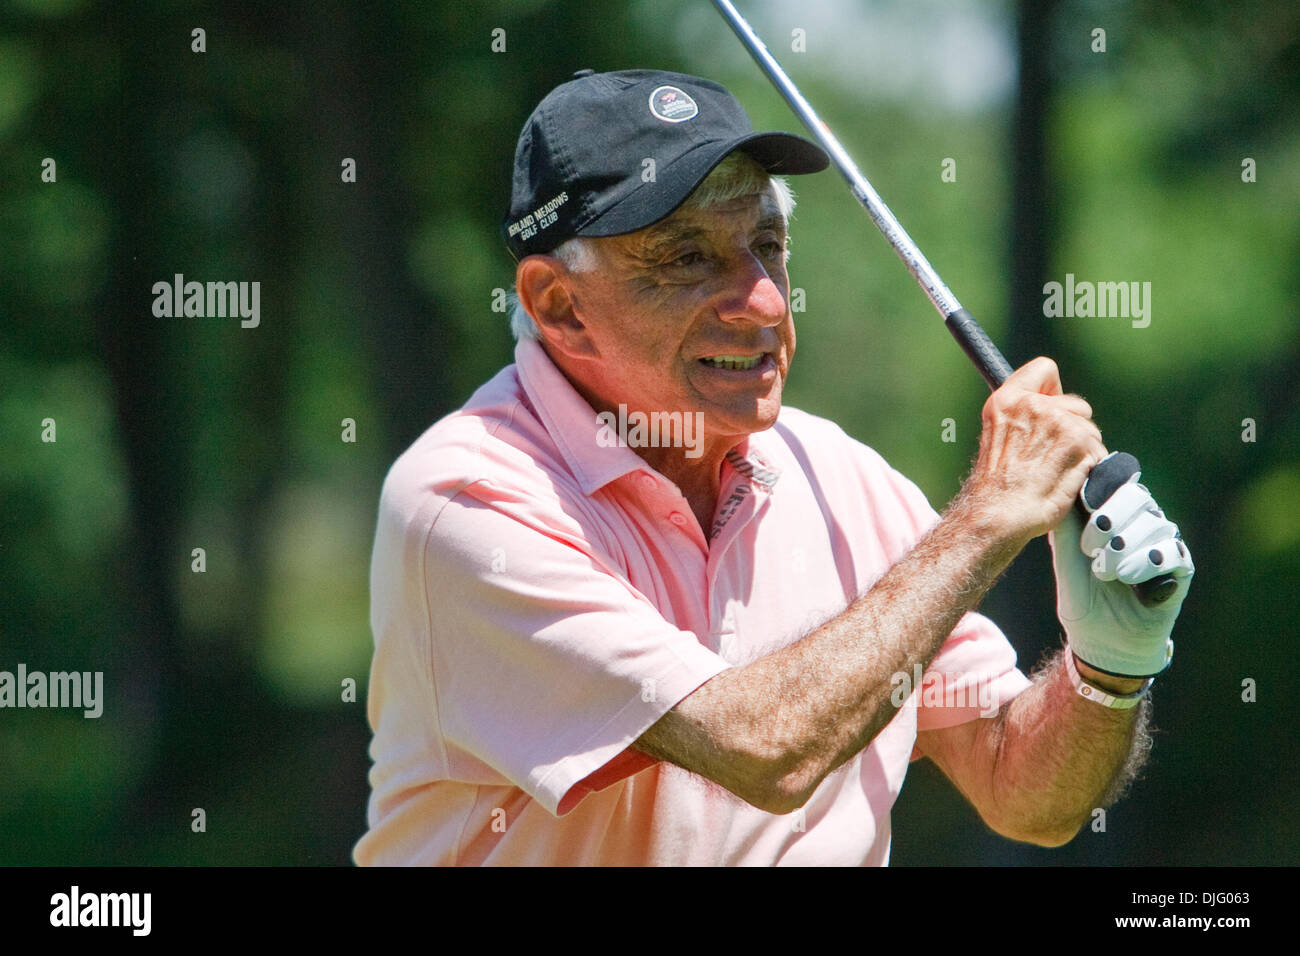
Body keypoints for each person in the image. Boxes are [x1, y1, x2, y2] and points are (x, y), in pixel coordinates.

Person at [353, 69, 1193, 866]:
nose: (762, 302)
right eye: (687, 259)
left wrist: (1108, 667)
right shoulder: (468, 499)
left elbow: (1023, 793)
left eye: (766, 245)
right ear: (559, 307)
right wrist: (984, 521)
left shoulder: (841, 477)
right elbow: (763, 750)